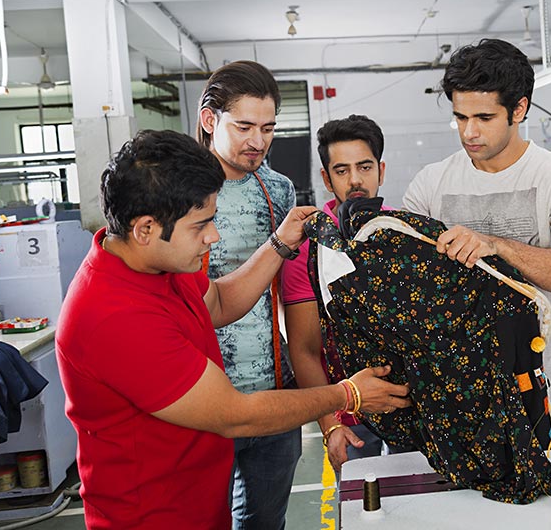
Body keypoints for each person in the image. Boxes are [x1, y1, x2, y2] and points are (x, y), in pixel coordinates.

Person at [56, 130, 410, 530]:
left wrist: (280, 243)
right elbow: (235, 415)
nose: (213, 236)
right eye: (200, 226)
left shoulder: (158, 265)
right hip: (153, 517)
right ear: (145, 229)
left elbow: (220, 302)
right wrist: (348, 394)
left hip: (199, 504)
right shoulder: (113, 316)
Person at [403, 38, 551, 432]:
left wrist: (496, 246)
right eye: (460, 117)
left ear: (519, 109)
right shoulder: (430, 184)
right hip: (456, 405)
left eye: (484, 117)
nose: (469, 132)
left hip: (539, 401)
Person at [195, 60, 308, 529]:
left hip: (273, 392)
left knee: (266, 522)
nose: (258, 141)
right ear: (210, 120)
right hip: (201, 398)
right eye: (243, 127)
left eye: (268, 128)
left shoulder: (278, 190)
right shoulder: (178, 191)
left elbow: (292, 293)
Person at [281, 114, 391, 472]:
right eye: (342, 171)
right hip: (350, 416)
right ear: (327, 179)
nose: (355, 180)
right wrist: (331, 425)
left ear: (381, 171)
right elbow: (304, 349)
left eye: (365, 167)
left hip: (413, 408)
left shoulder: (404, 233)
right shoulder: (305, 249)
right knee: (363, 501)